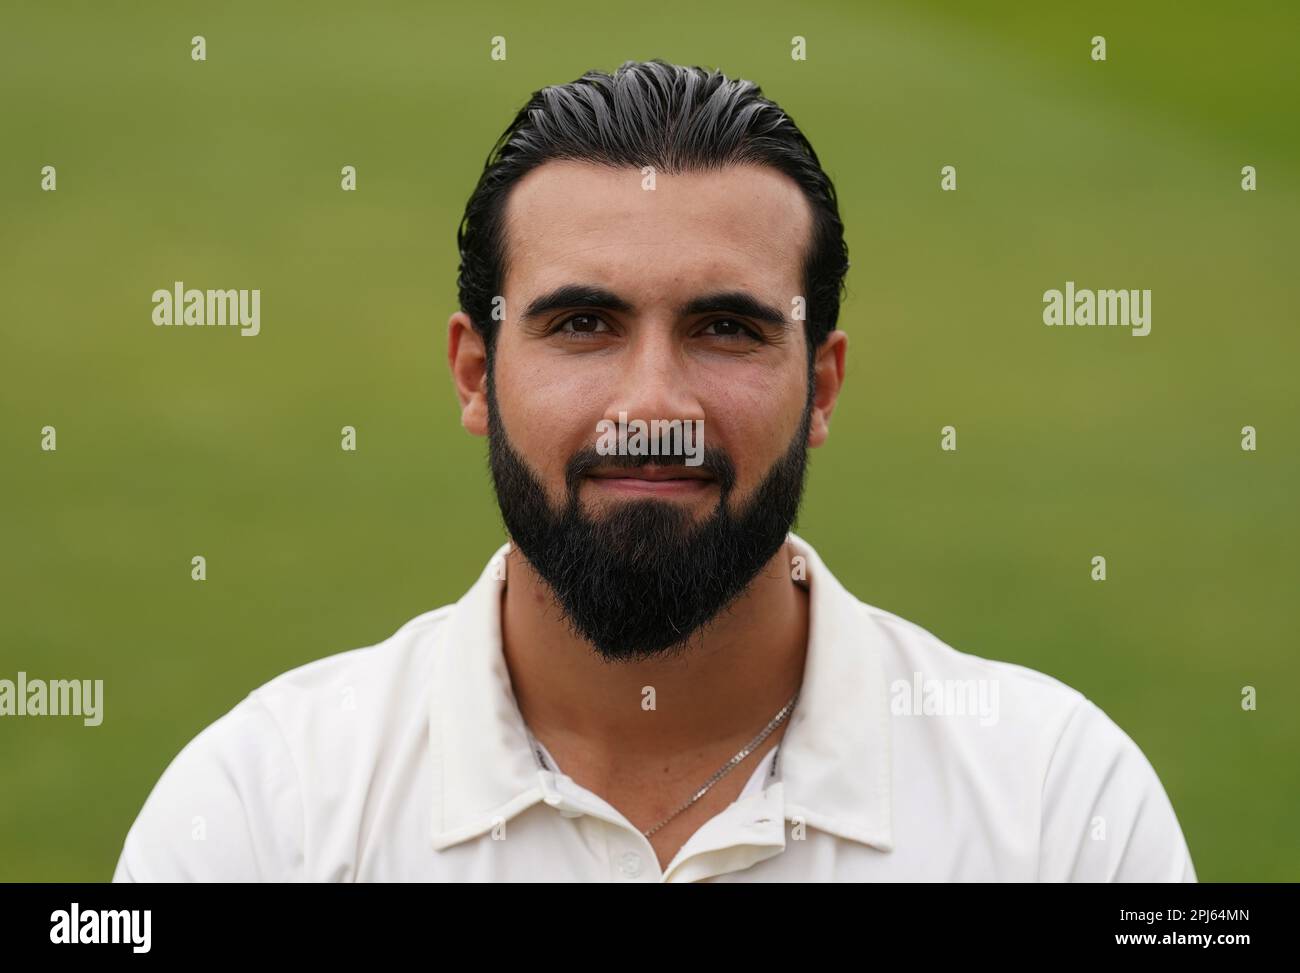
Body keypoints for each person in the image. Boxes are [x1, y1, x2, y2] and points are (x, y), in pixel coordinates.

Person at [114, 59, 1195, 882]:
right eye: (583, 323)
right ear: (475, 371)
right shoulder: (261, 811)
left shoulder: (1058, 802)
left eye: (724, 328)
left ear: (819, 386)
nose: (653, 409)